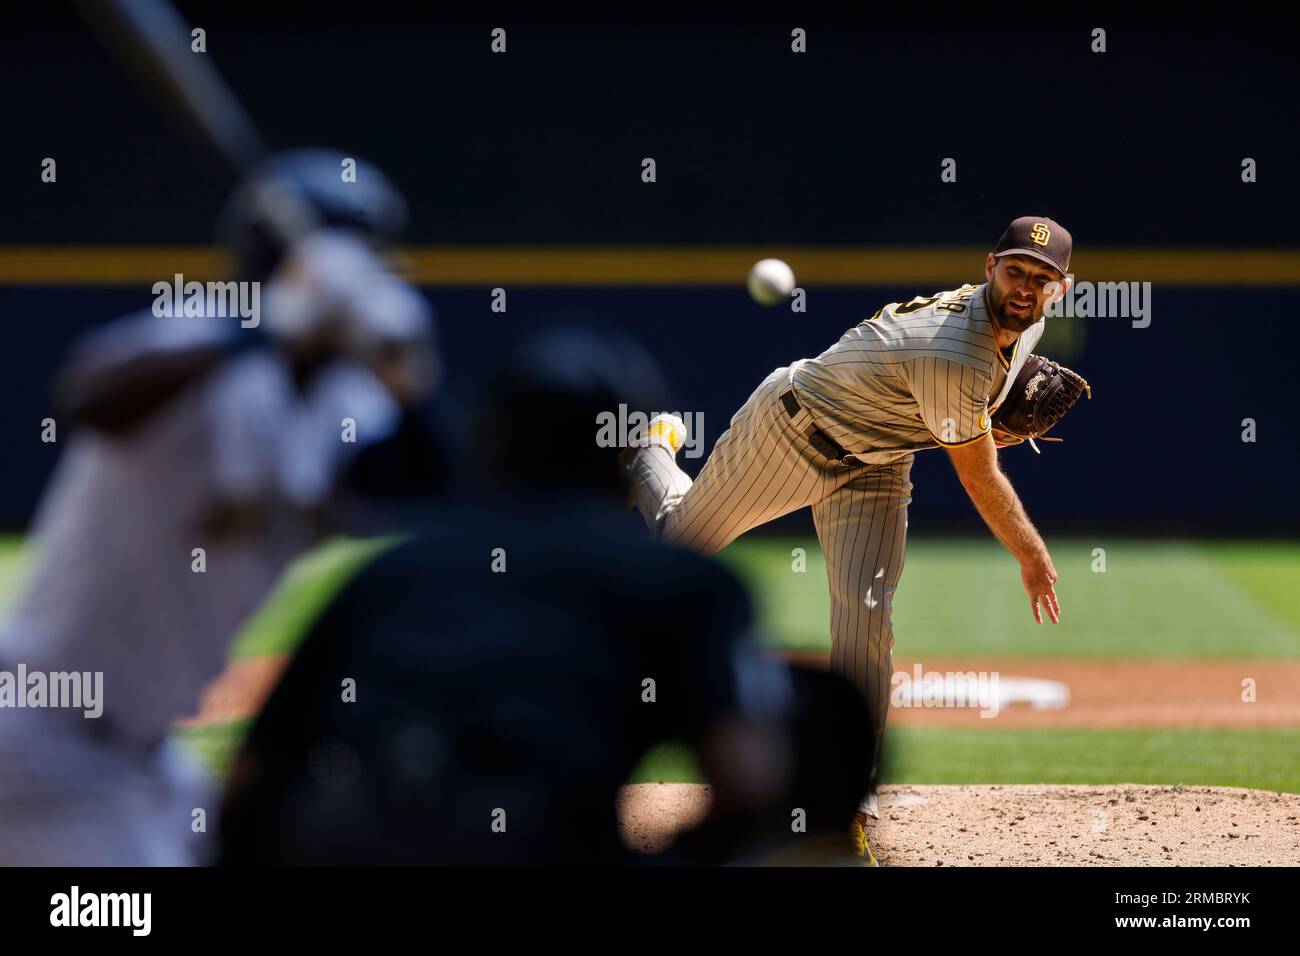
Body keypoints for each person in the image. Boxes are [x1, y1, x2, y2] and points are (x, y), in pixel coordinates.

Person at [218, 329, 806, 866]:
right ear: (624, 463)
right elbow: (750, 784)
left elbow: (247, 784)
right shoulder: (681, 585)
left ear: (488, 446)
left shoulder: (391, 572)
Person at [0, 149, 441, 865]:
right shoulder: (197, 334)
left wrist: (408, 373)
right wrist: (272, 323)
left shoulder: (343, 402)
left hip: (153, 754)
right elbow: (88, 397)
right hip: (39, 738)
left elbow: (424, 487)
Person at [623, 216, 1079, 863]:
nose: (1027, 287)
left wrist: (986, 408)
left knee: (867, 618)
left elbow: (979, 399)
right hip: (794, 431)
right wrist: (1032, 555)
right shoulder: (955, 351)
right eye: (1015, 270)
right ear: (989, 267)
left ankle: (849, 804)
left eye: (1043, 278)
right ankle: (650, 453)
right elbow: (978, 479)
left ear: (1061, 288)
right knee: (677, 544)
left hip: (880, 459)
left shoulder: (1022, 323)